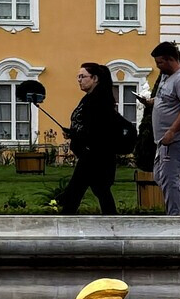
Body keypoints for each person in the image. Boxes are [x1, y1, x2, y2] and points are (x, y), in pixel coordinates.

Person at [54, 61, 129, 214]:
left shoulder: (100, 101)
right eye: (78, 77)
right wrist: (73, 133)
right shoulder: (89, 98)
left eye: (83, 76)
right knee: (99, 190)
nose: (79, 80)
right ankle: (112, 222)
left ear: (95, 78)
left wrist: (76, 134)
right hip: (91, 155)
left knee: (75, 192)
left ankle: (64, 223)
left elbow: (97, 130)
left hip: (95, 155)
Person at [148, 40, 180, 214]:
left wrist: (172, 131)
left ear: (170, 59)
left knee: (170, 179)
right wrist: (151, 101)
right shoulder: (167, 77)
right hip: (162, 139)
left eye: (160, 62)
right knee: (160, 176)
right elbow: (168, 99)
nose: (158, 66)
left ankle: (174, 217)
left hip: (174, 139)